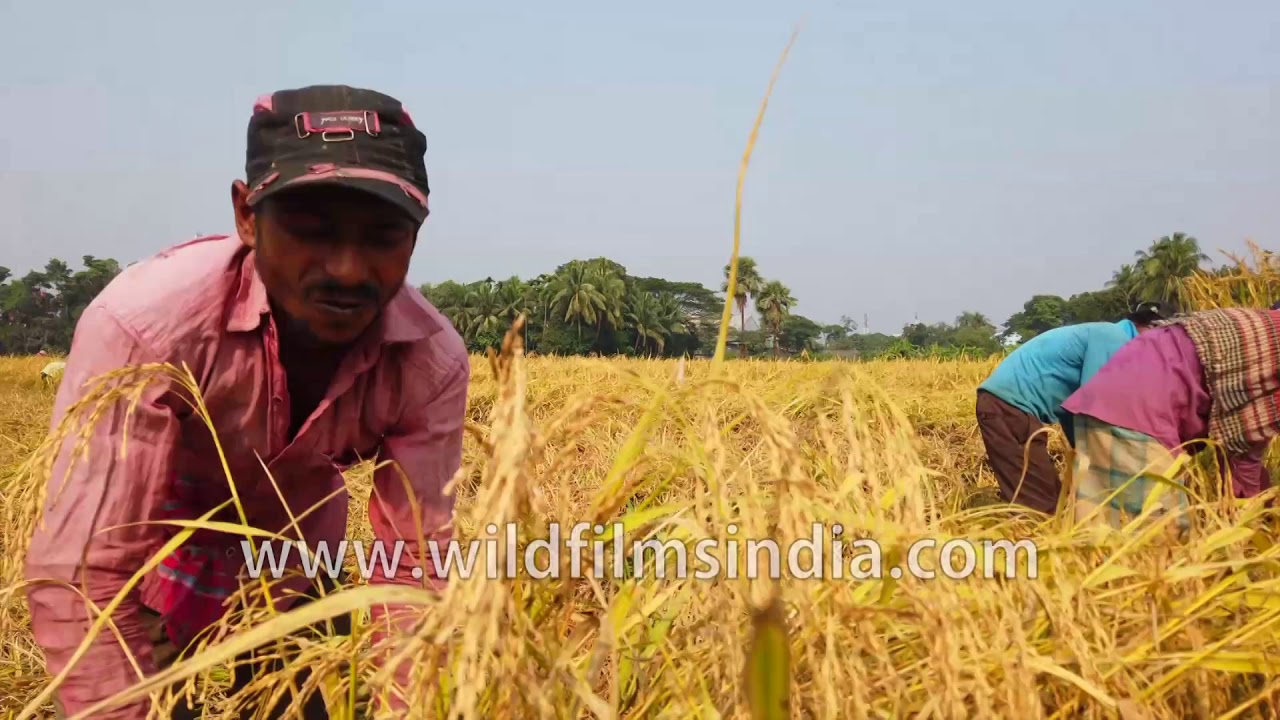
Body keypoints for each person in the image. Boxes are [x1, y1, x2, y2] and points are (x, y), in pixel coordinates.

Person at [24, 85, 470, 719]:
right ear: (246, 215)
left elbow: (413, 565)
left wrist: (410, 705)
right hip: (147, 575)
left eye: (383, 236)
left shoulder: (430, 361)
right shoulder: (147, 327)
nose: (348, 270)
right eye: (310, 231)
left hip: (295, 566)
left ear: (416, 235)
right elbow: (83, 574)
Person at [1062, 306, 1276, 525]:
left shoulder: (1262, 327)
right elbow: (1243, 448)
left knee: (1103, 526)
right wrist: (1256, 517)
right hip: (1139, 411)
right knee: (1166, 533)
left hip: (1105, 398)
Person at [974, 302, 1174, 514]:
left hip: (1009, 407)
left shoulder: (1104, 334)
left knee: (1048, 494)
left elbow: (1075, 408)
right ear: (1153, 328)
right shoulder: (1115, 339)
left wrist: (1081, 451)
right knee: (1036, 502)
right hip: (1008, 408)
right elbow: (1098, 405)